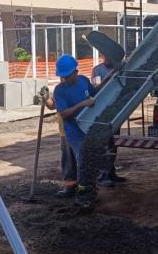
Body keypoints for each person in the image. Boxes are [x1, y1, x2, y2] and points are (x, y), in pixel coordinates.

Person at [53, 55, 97, 208]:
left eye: (67, 76)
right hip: (73, 131)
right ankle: (82, 195)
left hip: (89, 127)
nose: (64, 79)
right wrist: (82, 104)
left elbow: (96, 93)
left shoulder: (84, 81)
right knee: (82, 160)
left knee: (89, 160)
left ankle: (90, 191)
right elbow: (63, 114)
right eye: (62, 76)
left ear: (76, 71)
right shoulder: (59, 91)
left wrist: (109, 78)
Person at [91, 56, 127, 188]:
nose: (107, 58)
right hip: (103, 111)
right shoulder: (98, 70)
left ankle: (111, 172)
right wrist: (111, 76)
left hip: (116, 110)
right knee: (105, 144)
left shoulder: (120, 69)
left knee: (113, 144)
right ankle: (102, 176)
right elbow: (97, 89)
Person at [38, 85, 78, 197]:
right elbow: (53, 106)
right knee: (68, 160)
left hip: (80, 130)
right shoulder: (59, 89)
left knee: (82, 160)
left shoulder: (79, 86)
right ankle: (70, 187)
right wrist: (46, 98)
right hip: (64, 132)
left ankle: (85, 188)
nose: (63, 79)